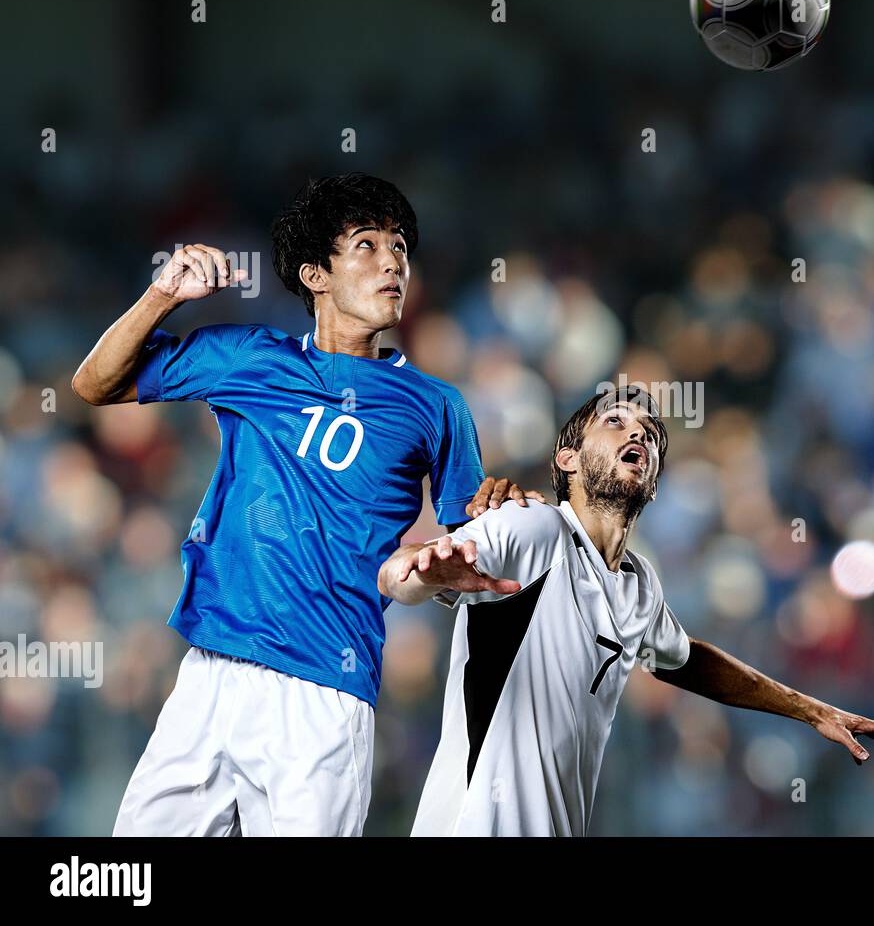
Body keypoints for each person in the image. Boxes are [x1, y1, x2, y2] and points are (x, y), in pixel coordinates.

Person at [72, 172, 541, 836]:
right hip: (209, 677)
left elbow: (461, 553)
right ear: (316, 274)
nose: (392, 263)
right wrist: (162, 296)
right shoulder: (245, 358)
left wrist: (482, 545)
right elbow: (94, 384)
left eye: (401, 247)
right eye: (367, 245)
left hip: (323, 692)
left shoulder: (436, 407)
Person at [379, 385, 874, 836]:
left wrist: (813, 710)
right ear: (567, 459)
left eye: (651, 435)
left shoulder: (638, 584)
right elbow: (409, 576)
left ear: (655, 482)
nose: (638, 434)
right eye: (614, 421)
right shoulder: (533, 528)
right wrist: (413, 572)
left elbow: (688, 661)